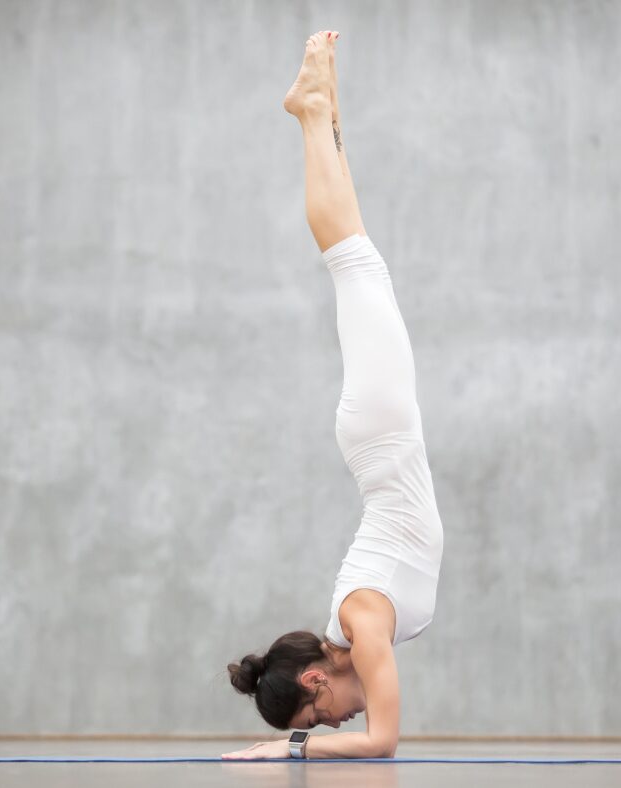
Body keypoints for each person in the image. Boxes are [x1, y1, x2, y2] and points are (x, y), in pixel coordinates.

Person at [223, 30, 444, 761]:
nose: (333, 726)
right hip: (379, 434)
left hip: (380, 433)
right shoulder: (359, 626)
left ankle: (313, 110)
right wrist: (297, 743)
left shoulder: (362, 623)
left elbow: (382, 743)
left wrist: (290, 751)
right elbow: (379, 738)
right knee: (360, 262)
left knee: (352, 262)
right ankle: (322, 109)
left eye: (317, 719)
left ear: (316, 677)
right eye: (317, 732)